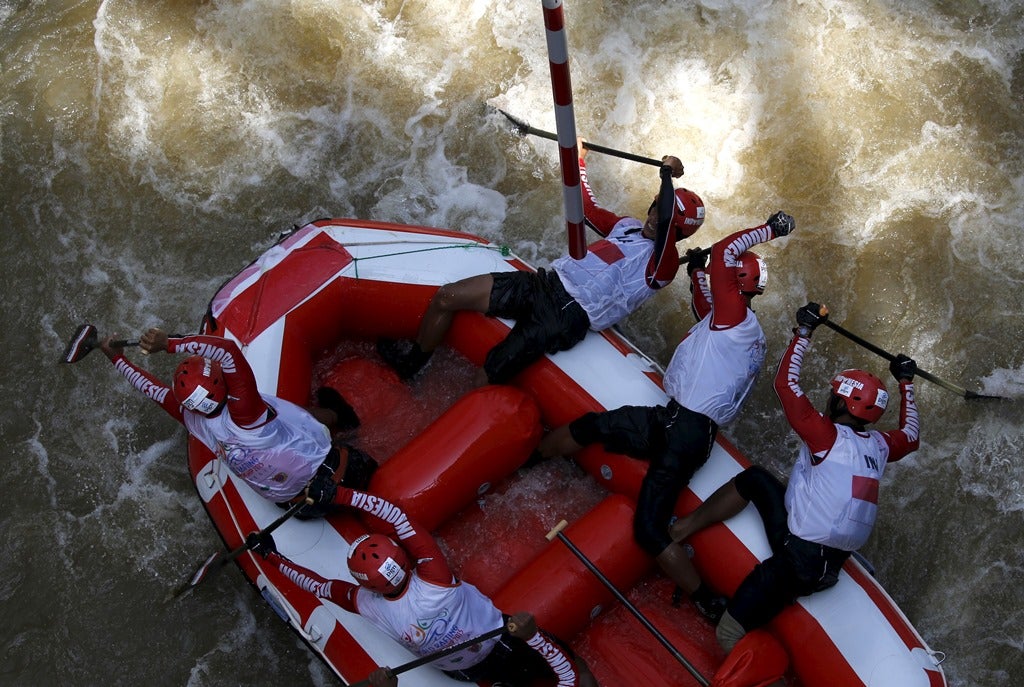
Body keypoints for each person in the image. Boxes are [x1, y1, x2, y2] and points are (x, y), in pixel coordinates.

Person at [537, 211, 796, 622]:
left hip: (681, 430)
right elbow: (703, 311)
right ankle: (541, 455)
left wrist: (770, 230)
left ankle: (706, 600)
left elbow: (728, 250)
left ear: (738, 283)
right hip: (684, 429)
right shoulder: (743, 328)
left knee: (649, 529)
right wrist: (696, 273)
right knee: (594, 427)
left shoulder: (735, 319)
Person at [668, 302, 920, 654]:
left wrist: (803, 332)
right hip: (831, 566)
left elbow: (785, 386)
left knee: (727, 635)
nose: (829, 397)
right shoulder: (879, 445)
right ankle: (679, 531)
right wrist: (906, 382)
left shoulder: (825, 435)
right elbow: (911, 435)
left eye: (835, 395)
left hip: (797, 560)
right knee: (756, 479)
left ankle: (678, 532)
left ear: (843, 404)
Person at [377, 140, 703, 386]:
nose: (652, 218)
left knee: (489, 374)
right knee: (447, 296)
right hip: (544, 283)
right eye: (654, 208)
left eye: (663, 217)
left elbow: (661, 238)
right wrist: (579, 159)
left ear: (675, 232)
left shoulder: (664, 265)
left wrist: (665, 176)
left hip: (565, 317)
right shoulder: (627, 226)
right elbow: (586, 207)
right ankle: (411, 364)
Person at [250, 485, 598, 687]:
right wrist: (340, 493)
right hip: (508, 638)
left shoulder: (366, 602)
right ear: (403, 558)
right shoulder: (435, 576)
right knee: (575, 668)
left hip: (471, 672)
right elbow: (395, 516)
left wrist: (272, 557)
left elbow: (319, 586)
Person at [99, 328, 376, 517]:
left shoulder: (192, 419)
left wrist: (114, 357)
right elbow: (228, 350)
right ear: (222, 383)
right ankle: (348, 424)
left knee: (296, 417)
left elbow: (152, 389)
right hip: (341, 474)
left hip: (300, 505)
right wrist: (168, 343)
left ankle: (337, 422)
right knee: (322, 428)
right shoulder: (246, 411)